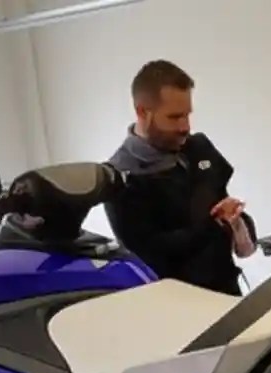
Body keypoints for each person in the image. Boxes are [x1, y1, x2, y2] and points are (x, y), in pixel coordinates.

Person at [104, 59, 255, 296]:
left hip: (227, 295)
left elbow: (223, 210)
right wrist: (213, 225)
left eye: (187, 115)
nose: (185, 126)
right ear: (143, 112)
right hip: (175, 310)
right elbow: (150, 254)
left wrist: (236, 222)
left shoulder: (198, 148)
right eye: (174, 117)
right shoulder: (121, 177)